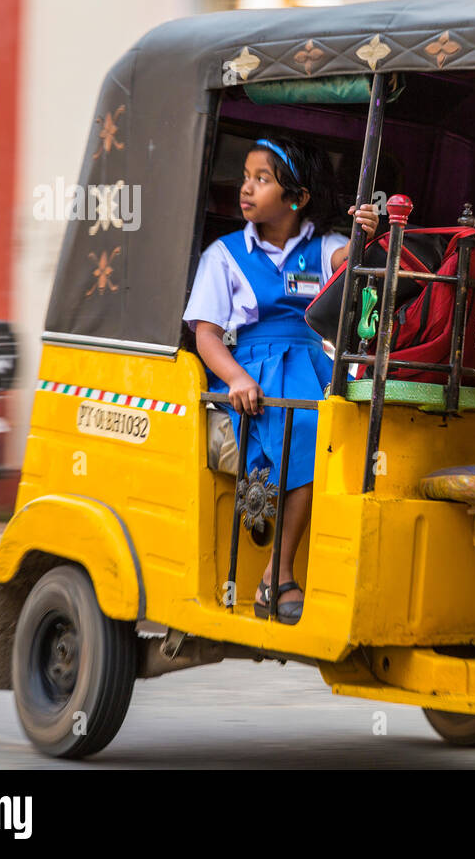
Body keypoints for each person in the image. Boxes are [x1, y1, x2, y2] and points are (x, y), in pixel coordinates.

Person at [184, 135, 378, 622]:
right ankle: (279, 572)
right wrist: (235, 380)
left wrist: (364, 236)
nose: (245, 188)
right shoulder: (223, 255)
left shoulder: (325, 246)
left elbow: (351, 267)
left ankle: (276, 559)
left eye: (261, 179)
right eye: (246, 177)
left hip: (311, 362)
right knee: (308, 437)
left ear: (297, 198)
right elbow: (206, 334)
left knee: (333, 437)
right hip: (253, 371)